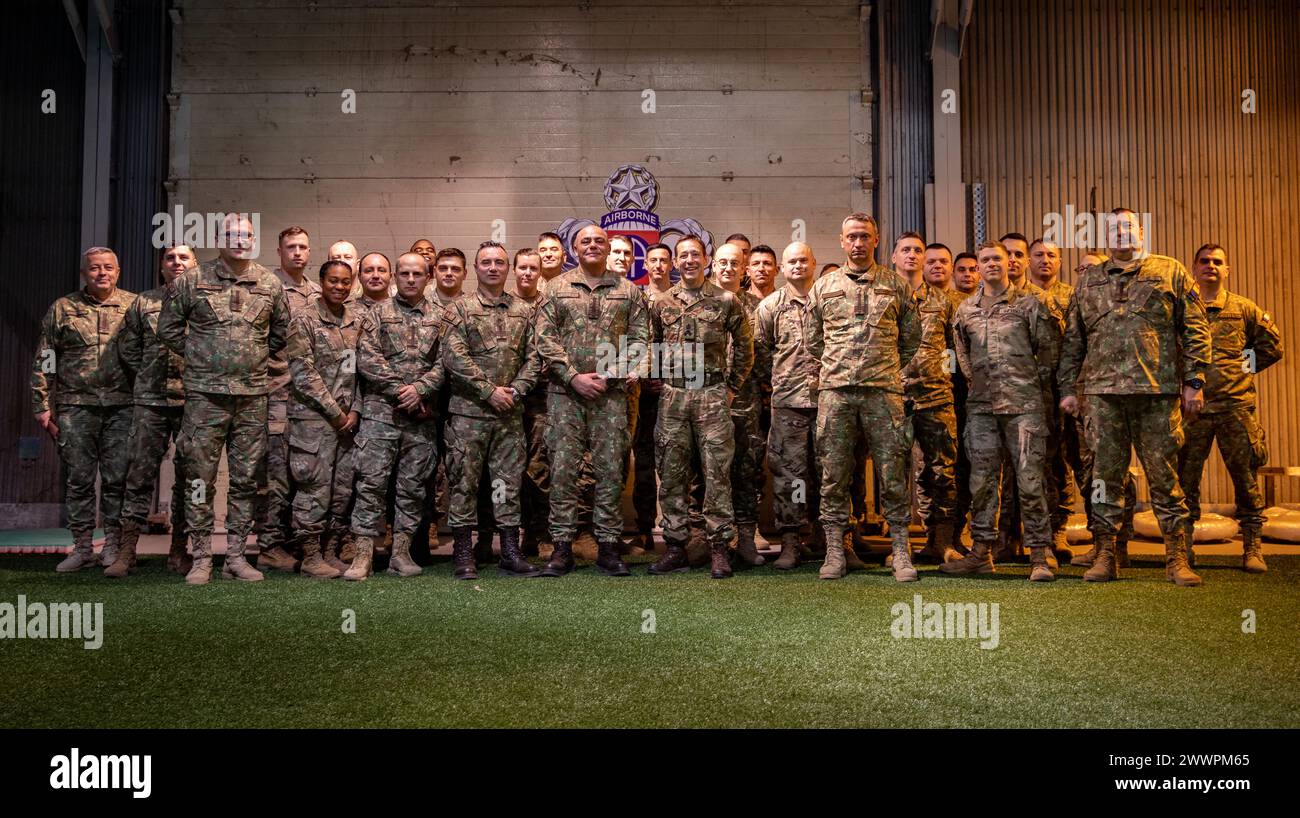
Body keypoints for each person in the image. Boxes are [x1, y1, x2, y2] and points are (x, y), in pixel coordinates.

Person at [1058, 208, 1212, 586]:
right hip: (1102, 396)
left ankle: (1176, 557)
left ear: (1141, 232)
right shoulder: (1089, 280)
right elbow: (1074, 339)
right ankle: (1107, 553)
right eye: (1113, 229)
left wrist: (1194, 381)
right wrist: (1067, 389)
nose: (1121, 234)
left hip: (1155, 394)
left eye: (1128, 227)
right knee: (1103, 478)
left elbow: (1195, 328)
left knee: (1164, 476)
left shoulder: (1169, 271)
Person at [157, 213, 290, 584]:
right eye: (231, 234)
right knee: (200, 477)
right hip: (204, 398)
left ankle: (235, 556)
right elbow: (167, 327)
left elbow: (280, 332)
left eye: (246, 234)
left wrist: (254, 360)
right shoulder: (192, 280)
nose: (239, 240)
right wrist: (201, 356)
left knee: (247, 479)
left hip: (251, 397)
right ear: (218, 238)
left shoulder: (268, 283)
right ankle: (201, 557)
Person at [808, 213, 921, 581]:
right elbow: (813, 341)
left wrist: (882, 368)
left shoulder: (896, 285)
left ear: (877, 240)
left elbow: (910, 339)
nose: (858, 244)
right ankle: (835, 550)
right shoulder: (823, 287)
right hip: (836, 393)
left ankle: (901, 551)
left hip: (883, 393)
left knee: (892, 471)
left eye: (865, 237)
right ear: (842, 241)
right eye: (852, 237)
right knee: (834, 473)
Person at [533, 224, 650, 576]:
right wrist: (573, 377)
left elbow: (641, 341)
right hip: (564, 396)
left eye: (600, 241)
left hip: (610, 398)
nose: (594, 246)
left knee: (610, 473)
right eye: (587, 241)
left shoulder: (629, 291)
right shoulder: (555, 288)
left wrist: (608, 374)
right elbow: (544, 339)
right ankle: (562, 548)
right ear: (575, 248)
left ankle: (609, 548)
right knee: (564, 473)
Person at [943, 241, 1060, 580]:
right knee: (982, 481)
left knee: (1030, 479)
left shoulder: (1030, 304)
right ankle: (981, 551)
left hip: (1024, 407)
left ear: (1009, 263)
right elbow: (961, 357)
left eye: (998, 258)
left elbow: (1048, 354)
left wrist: (1031, 390)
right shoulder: (965, 310)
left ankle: (1039, 554)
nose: (992, 264)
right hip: (982, 407)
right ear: (977, 266)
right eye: (985, 260)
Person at [646, 235, 754, 578]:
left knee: (717, 473)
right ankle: (675, 546)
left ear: (705, 259)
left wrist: (732, 388)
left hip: (711, 396)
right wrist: (660, 380)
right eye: (683, 256)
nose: (689, 260)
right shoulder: (662, 302)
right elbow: (652, 345)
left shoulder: (725, 300)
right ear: (675, 263)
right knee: (673, 472)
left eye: (695, 254)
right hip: (674, 397)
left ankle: (719, 548)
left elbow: (747, 347)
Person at [1177, 243, 1283, 573]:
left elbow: (1271, 348)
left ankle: (1252, 547)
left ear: (1227, 270)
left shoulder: (1244, 309)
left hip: (1236, 408)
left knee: (1246, 480)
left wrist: (1241, 370)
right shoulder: (1182, 310)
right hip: (1193, 411)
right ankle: (1185, 548)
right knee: (1184, 481)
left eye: (1217, 262)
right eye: (1204, 261)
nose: (1211, 266)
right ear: (1193, 269)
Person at [441, 241, 544, 579]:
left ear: (507, 268)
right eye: (486, 262)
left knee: (507, 484)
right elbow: (454, 358)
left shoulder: (524, 311)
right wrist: (489, 392)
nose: (494, 268)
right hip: (469, 415)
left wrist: (516, 391)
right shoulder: (459, 309)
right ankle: (463, 554)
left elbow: (535, 358)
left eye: (500, 262)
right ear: (475, 268)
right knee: (464, 484)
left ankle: (509, 552)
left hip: (509, 415)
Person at [32, 246, 136, 572]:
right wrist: (41, 405)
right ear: (84, 273)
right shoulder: (63, 309)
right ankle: (81, 548)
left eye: (108, 267)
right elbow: (45, 358)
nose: (101, 273)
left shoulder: (134, 307)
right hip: (76, 408)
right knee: (78, 480)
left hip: (123, 407)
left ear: (118, 272)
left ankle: (113, 547)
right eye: (94, 268)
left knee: (117, 480)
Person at [347, 252, 447, 580]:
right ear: (395, 277)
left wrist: (420, 388)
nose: (410, 279)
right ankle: (362, 554)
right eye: (403, 273)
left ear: (428, 277)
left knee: (412, 487)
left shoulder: (444, 316)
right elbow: (366, 358)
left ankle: (400, 553)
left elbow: (447, 362)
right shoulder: (377, 314)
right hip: (381, 416)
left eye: (417, 274)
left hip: (420, 419)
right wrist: (400, 390)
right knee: (371, 483)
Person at [105, 245, 195, 577]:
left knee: (189, 479)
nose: (177, 263)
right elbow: (127, 347)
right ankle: (126, 552)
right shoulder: (144, 302)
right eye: (171, 258)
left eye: (184, 258)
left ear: (194, 265)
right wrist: (146, 374)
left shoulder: (202, 302)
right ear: (161, 266)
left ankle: (178, 551)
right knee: (138, 475)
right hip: (150, 401)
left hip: (192, 402)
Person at [285, 260, 361, 578]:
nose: (339, 287)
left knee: (342, 489)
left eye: (345, 282)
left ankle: (330, 551)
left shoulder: (355, 321)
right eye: (333, 281)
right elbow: (304, 374)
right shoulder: (303, 320)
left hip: (347, 423)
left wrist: (354, 410)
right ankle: (310, 555)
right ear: (321, 281)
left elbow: (359, 372)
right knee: (314, 488)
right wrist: (336, 413)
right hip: (314, 420)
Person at [258, 226, 321, 573]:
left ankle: (299, 541)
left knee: (305, 473)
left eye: (303, 247)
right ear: (279, 250)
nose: (297, 252)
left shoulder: (316, 292)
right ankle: (269, 544)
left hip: (308, 397)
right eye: (291, 247)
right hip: (276, 392)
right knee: (275, 475)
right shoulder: (268, 288)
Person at [755, 242, 821, 569]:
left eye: (803, 260)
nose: (798, 266)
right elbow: (760, 351)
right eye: (791, 261)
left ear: (814, 263)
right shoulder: (770, 306)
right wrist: (783, 379)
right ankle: (792, 541)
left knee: (832, 472)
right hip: (789, 403)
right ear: (783, 268)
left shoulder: (829, 302)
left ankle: (831, 538)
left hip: (829, 401)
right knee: (791, 476)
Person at [896, 235, 960, 564]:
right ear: (894, 256)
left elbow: (953, 345)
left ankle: (942, 541)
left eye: (918, 251)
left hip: (936, 397)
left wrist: (944, 375)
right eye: (905, 249)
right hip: (894, 397)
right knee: (895, 472)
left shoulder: (943, 300)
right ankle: (900, 544)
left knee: (942, 470)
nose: (912, 255)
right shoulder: (885, 298)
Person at [711, 241, 766, 567]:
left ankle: (745, 540)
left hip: (747, 401)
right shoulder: (701, 301)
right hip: (708, 401)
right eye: (723, 263)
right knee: (707, 473)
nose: (728, 268)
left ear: (743, 269)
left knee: (746, 471)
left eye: (735, 263)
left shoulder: (758, 307)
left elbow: (767, 352)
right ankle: (709, 539)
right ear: (714, 266)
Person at [629, 243, 675, 551]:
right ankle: (644, 528)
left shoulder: (680, 297)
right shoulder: (636, 297)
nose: (657, 265)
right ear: (646, 264)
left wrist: (669, 380)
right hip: (642, 395)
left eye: (663, 260)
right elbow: (626, 342)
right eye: (653, 260)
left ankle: (676, 530)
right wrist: (642, 381)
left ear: (670, 265)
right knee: (644, 464)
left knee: (675, 464)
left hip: (675, 394)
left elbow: (688, 345)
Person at [512, 248, 552, 556]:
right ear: (515, 270)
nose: (527, 273)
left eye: (532, 268)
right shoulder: (504, 303)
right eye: (522, 267)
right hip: (507, 399)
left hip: (541, 399)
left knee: (539, 468)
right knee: (510, 470)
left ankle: (541, 533)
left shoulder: (549, 304)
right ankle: (515, 532)